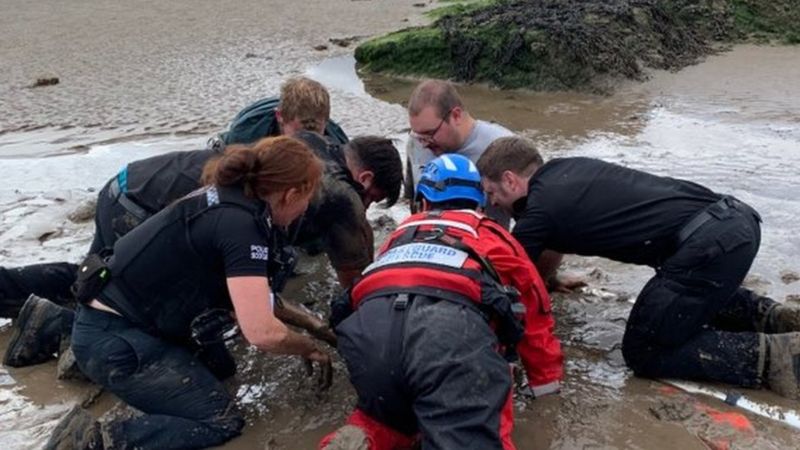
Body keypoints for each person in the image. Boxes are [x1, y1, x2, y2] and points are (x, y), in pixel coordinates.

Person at [2, 131, 403, 370]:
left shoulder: (311, 146)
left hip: (134, 183)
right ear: (364, 179)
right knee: (138, 304)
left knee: (103, 276)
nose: (364, 212)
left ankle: (31, 307)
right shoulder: (340, 196)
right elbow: (360, 288)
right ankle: (54, 324)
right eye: (372, 201)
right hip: (141, 205)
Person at [44, 136, 334, 450]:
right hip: (114, 339)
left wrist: (312, 325)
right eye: (308, 197)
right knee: (220, 420)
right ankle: (88, 442)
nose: (305, 208)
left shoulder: (228, 199)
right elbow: (262, 332)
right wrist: (307, 348)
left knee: (223, 369)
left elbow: (252, 296)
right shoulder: (242, 227)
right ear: (293, 194)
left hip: (118, 318)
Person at [476, 136, 800, 400]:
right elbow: (553, 240)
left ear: (510, 180)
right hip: (735, 224)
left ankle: (781, 357)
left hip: (708, 246)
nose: (494, 204)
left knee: (644, 349)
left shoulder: (539, 214)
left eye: (492, 193)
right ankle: (775, 318)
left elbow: (500, 280)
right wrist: (549, 278)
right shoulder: (565, 172)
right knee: (686, 300)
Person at [321, 154, 563, 450]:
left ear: (422, 203)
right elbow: (535, 310)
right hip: (449, 336)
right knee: (473, 430)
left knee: (387, 417)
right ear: (479, 204)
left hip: (369, 334)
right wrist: (546, 386)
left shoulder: (400, 235)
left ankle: (367, 434)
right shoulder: (491, 234)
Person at [405, 79, 513, 222]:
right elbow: (412, 201)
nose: (424, 144)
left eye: (430, 133)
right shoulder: (415, 142)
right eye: (419, 136)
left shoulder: (504, 146)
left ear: (456, 116)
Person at [209, 75, 349, 149]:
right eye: (301, 133)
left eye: (316, 130)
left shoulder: (337, 139)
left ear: (325, 121)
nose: (308, 141)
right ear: (279, 117)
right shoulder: (245, 133)